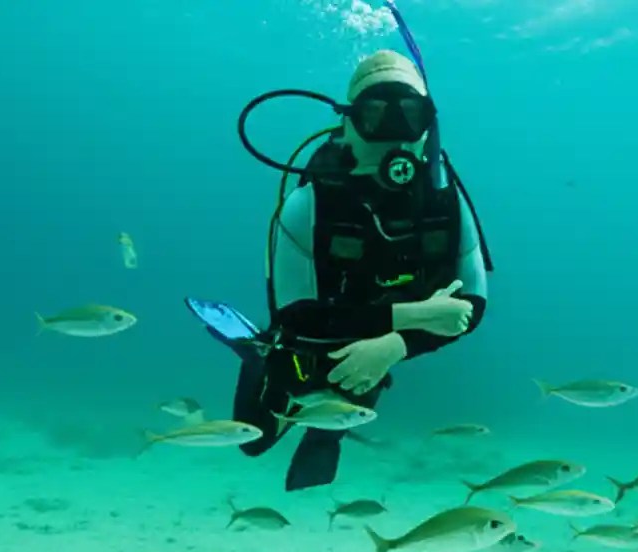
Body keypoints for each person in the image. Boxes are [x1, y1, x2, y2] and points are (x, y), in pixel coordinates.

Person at [188, 47, 493, 491]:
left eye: (410, 116)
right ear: (348, 125)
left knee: (349, 401)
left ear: (428, 129)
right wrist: (415, 318)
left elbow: (474, 305)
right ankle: (256, 352)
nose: (393, 134)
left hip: (380, 337)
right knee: (253, 439)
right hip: (312, 336)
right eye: (375, 115)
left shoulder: (447, 203)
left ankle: (327, 430)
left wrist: (395, 346)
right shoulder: (307, 205)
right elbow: (298, 317)